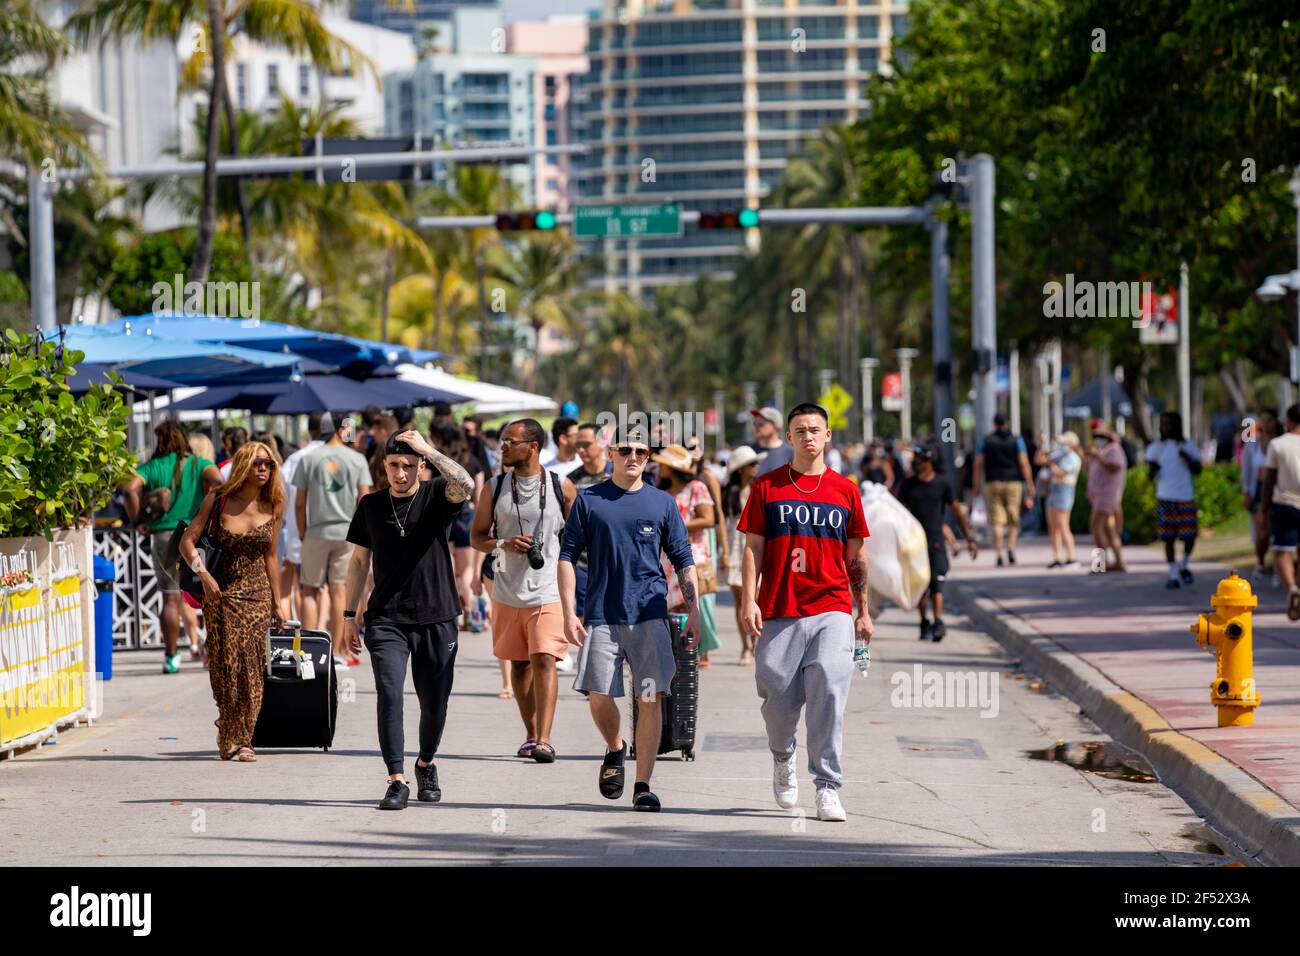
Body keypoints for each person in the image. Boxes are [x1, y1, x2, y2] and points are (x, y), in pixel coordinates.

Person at [738, 403, 872, 823]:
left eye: (815, 430)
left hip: (832, 607)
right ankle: (783, 755)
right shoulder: (767, 486)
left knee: (830, 690)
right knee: (776, 694)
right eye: (800, 431)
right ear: (789, 438)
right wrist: (747, 600)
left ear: (828, 436)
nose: (809, 437)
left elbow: (857, 557)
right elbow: (752, 547)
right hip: (779, 607)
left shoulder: (846, 490)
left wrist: (862, 611)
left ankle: (828, 786)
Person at [558, 428, 701, 812]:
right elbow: (567, 557)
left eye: (641, 451)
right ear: (612, 453)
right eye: (625, 450)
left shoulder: (662, 503)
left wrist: (695, 611)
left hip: (650, 616)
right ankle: (616, 747)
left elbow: (683, 559)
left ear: (649, 457)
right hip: (602, 615)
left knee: (650, 697)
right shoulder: (590, 500)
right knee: (600, 694)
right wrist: (569, 610)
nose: (633, 456)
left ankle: (643, 785)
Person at [343, 430, 475, 810]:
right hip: (386, 618)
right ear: (383, 466)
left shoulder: (436, 495)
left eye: (408, 466)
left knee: (434, 704)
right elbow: (358, 561)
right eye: (393, 466)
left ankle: (426, 763)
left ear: (420, 466)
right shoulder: (370, 506)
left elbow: (464, 483)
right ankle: (396, 779)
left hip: (438, 615)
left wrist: (428, 450)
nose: (400, 474)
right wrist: (350, 615)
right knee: (389, 693)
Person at [471, 419, 576, 762]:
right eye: (502, 442)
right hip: (507, 591)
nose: (502, 447)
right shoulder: (494, 487)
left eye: (509, 442)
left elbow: (578, 539)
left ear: (532, 446)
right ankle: (530, 734)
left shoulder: (562, 486)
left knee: (544, 658)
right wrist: (503, 543)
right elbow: (477, 537)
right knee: (519, 666)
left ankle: (545, 739)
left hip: (549, 591)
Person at [179, 442, 284, 761]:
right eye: (257, 464)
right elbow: (187, 541)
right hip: (221, 592)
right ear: (242, 466)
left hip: (257, 594)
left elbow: (270, 557)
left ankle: (244, 739)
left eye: (269, 464)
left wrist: (278, 603)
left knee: (252, 666)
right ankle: (228, 726)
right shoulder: (218, 499)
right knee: (226, 666)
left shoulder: (274, 503)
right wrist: (205, 576)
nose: (264, 469)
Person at [120, 421, 222, 674]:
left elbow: (130, 491)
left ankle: (171, 656)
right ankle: (211, 650)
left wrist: (138, 521)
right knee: (206, 594)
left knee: (170, 597)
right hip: (195, 536)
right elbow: (220, 481)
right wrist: (209, 512)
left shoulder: (153, 466)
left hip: (164, 537)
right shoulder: (199, 464)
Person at [293, 412, 372, 664]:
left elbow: (299, 502)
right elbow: (364, 500)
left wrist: (304, 532)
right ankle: (338, 652)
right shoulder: (357, 460)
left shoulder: (309, 458)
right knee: (340, 589)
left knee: (309, 590)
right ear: (341, 430)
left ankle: (305, 652)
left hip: (316, 530)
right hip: (348, 532)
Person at [653, 444, 722, 668]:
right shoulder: (661, 492)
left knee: (692, 604)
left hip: (693, 554)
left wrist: (677, 526)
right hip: (666, 558)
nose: (659, 468)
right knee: (671, 606)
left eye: (663, 464)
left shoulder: (696, 487)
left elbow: (709, 518)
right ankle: (678, 652)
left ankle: (695, 651)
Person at [899, 442, 976, 641]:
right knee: (920, 586)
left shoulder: (942, 484)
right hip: (914, 544)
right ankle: (924, 621)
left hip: (935, 542)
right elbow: (897, 514)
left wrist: (969, 538)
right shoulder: (907, 485)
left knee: (937, 583)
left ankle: (938, 621)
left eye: (918, 460)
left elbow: (957, 511)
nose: (914, 464)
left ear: (928, 461)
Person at [433, 422, 487, 632]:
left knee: (449, 569)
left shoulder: (437, 460)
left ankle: (453, 616)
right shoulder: (472, 460)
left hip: (442, 516)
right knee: (467, 570)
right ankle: (474, 615)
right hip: (467, 515)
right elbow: (480, 493)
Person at [566, 422, 614, 633]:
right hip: (584, 562)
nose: (581, 450)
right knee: (588, 620)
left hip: (617, 558)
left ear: (602, 442)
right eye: (578, 445)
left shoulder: (618, 473)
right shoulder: (572, 480)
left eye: (586, 444)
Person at [1146, 411, 1202, 590]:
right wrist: (1153, 469)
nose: (1165, 427)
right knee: (1168, 538)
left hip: (1185, 496)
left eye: (1169, 423)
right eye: (1163, 423)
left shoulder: (1188, 446)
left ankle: (1184, 564)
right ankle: (1173, 575)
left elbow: (1198, 470)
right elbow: (1149, 475)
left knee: (1189, 536)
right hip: (1165, 497)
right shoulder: (1156, 447)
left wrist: (1188, 459)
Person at [973, 411, 1035, 567]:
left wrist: (975, 485)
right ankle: (1011, 548)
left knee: (996, 521)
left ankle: (999, 553)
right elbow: (1024, 462)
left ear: (994, 424)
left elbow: (978, 464)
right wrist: (1029, 484)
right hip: (1013, 482)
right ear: (1006, 423)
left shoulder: (986, 440)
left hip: (992, 482)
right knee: (1014, 518)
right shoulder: (1017, 440)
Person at [279, 412, 324, 622]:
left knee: (306, 589)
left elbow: (284, 497)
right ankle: (334, 643)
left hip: (301, 532)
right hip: (337, 532)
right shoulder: (342, 456)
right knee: (332, 589)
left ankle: (310, 640)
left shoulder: (296, 459)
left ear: (311, 430)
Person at [722, 445, 760, 662]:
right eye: (751, 464)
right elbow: (723, 523)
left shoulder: (760, 488)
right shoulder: (729, 492)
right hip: (735, 544)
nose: (755, 467)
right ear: (741, 469)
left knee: (755, 598)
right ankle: (745, 646)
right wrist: (724, 552)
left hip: (754, 543)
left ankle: (755, 643)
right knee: (740, 601)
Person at [1262, 404, 1300, 619]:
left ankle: (1293, 588)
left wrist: (1264, 511)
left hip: (1285, 503)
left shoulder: (1277, 444)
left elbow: (1269, 481)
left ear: (1291, 421)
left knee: (1282, 551)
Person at [1086, 419, 1128, 572]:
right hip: (1100, 495)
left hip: (1107, 495)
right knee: (1109, 530)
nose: (1097, 438)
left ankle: (1099, 564)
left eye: (1100, 435)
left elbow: (1115, 466)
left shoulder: (1113, 449)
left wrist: (1098, 456)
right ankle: (1119, 562)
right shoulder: (1103, 450)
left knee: (1096, 527)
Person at [1242, 411, 1277, 585]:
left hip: (1278, 490)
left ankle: (1278, 568)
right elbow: (1246, 469)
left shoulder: (1280, 442)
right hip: (1259, 490)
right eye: (1262, 420)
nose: (1265, 423)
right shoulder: (1252, 444)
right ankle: (1261, 561)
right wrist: (1246, 491)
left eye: (1268, 419)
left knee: (1276, 530)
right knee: (1261, 531)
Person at [1041, 432, 1082, 568]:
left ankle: (1072, 558)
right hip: (1054, 489)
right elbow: (1040, 460)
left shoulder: (1073, 458)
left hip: (1064, 490)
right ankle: (1057, 558)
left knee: (1063, 526)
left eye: (1064, 443)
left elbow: (1060, 472)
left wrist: (1051, 464)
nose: (1062, 445)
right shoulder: (1059, 455)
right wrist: (1042, 444)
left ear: (1071, 445)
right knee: (1053, 527)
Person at [748, 406, 795, 476]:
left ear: (776, 426)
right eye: (755, 423)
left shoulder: (791, 453)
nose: (756, 427)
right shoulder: (749, 452)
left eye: (760, 423)